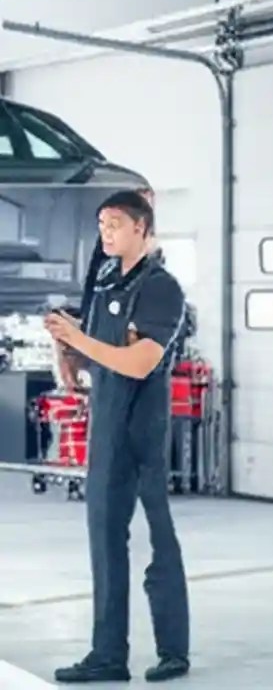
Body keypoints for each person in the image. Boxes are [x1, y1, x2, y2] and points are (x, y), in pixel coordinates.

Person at [44, 189, 191, 683]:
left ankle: (174, 651)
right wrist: (69, 347)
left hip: (144, 435)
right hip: (106, 431)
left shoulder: (161, 288)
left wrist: (83, 340)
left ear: (141, 228)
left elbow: (140, 361)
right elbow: (104, 355)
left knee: (159, 542)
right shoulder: (107, 281)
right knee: (105, 545)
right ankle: (108, 654)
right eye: (101, 225)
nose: (105, 233)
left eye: (114, 224)